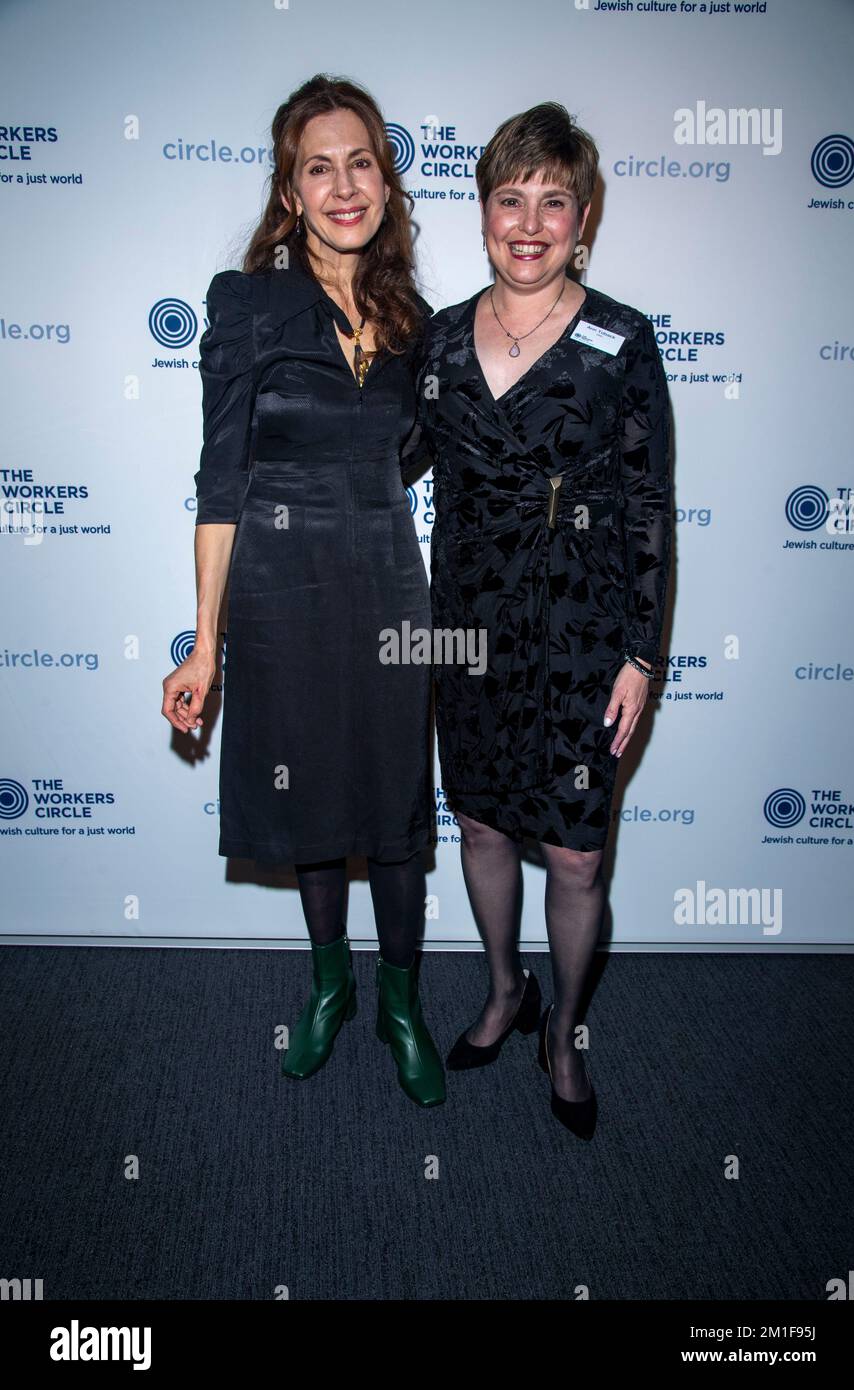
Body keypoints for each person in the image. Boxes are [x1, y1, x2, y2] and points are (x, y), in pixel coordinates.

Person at [161, 75, 444, 1108]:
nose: (342, 184)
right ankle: (329, 987)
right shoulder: (247, 304)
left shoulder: (414, 318)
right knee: (312, 797)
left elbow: (413, 454)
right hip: (279, 595)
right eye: (316, 166)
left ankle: (401, 1004)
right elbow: (219, 476)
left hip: (390, 586)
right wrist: (204, 644)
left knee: (397, 804)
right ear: (289, 190)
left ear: (385, 176)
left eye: (359, 161)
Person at [417, 102, 673, 1137]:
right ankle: (499, 988)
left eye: (550, 202)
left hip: (580, 628)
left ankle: (562, 1030)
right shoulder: (436, 337)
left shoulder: (620, 340)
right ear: (482, 210)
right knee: (477, 820)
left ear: (582, 215)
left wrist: (639, 656)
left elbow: (649, 506)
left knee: (573, 856)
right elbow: (379, 465)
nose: (527, 223)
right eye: (507, 199)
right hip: (465, 624)